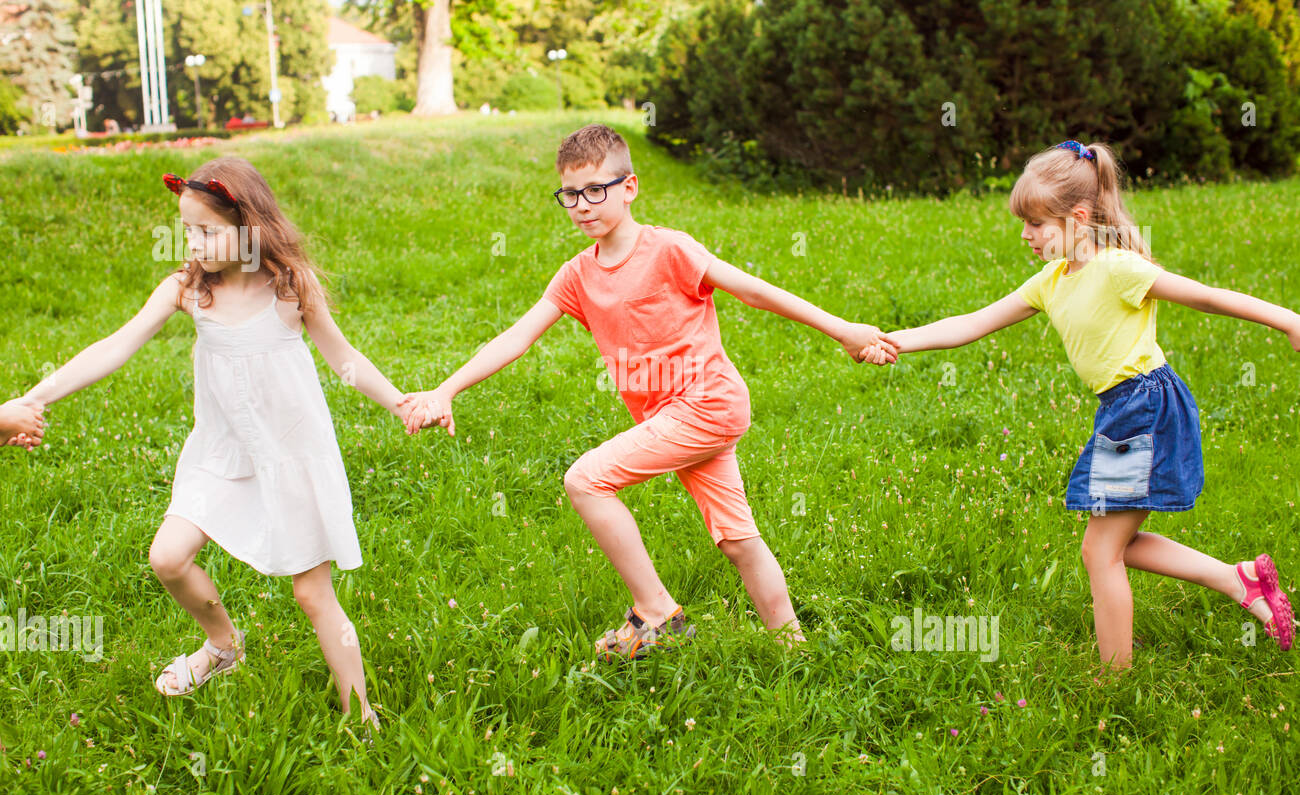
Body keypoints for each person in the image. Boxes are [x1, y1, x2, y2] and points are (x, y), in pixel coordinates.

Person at [401, 124, 896, 659]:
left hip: (706, 403)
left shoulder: (669, 249)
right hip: (674, 416)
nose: (582, 205)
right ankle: (795, 648)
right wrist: (447, 388)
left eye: (596, 190)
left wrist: (844, 330)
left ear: (629, 187)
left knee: (586, 480)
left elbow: (754, 291)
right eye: (569, 195)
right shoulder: (576, 275)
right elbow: (517, 338)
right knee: (736, 537)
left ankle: (657, 612)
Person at [875, 140, 1297, 669]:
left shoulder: (1119, 269)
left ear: (1077, 217)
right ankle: (1239, 580)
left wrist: (1288, 320)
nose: (1026, 236)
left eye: (1036, 224)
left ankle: (1114, 681)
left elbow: (1208, 295)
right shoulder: (1052, 279)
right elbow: (970, 324)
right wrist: (893, 339)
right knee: (1115, 545)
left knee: (1101, 552)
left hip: (1146, 406)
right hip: (1123, 410)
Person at [22, 156, 407, 727]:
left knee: (312, 594)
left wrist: (400, 400)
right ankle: (224, 647)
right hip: (222, 452)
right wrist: (33, 400)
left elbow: (342, 357)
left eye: (207, 230)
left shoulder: (290, 287)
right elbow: (114, 346)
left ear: (249, 226)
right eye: (187, 231)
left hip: (291, 453)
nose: (194, 243)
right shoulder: (187, 289)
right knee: (168, 557)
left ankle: (362, 714)